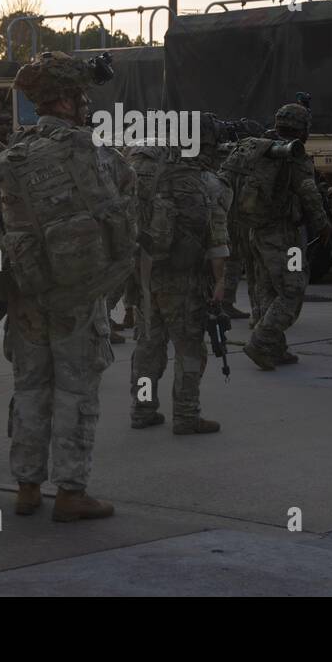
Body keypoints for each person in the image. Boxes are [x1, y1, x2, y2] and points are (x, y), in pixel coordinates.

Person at [0, 51, 135, 521]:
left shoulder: (9, 157)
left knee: (30, 387)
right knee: (75, 391)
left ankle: (26, 487)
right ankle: (71, 493)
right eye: (82, 94)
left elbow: (0, 229)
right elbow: (122, 216)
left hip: (27, 292)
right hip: (77, 294)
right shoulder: (94, 152)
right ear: (71, 99)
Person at [130, 113, 231, 434]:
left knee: (148, 347)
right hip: (185, 277)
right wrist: (220, 282)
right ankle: (187, 415)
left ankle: (142, 409)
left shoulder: (145, 173)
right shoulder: (207, 183)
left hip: (147, 273)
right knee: (189, 347)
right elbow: (217, 241)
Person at [222, 103, 331, 370]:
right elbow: (308, 191)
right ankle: (261, 341)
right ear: (303, 128)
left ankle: (274, 349)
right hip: (284, 236)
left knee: (267, 289)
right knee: (292, 289)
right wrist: (323, 223)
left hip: (255, 231)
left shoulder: (257, 147)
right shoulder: (292, 154)